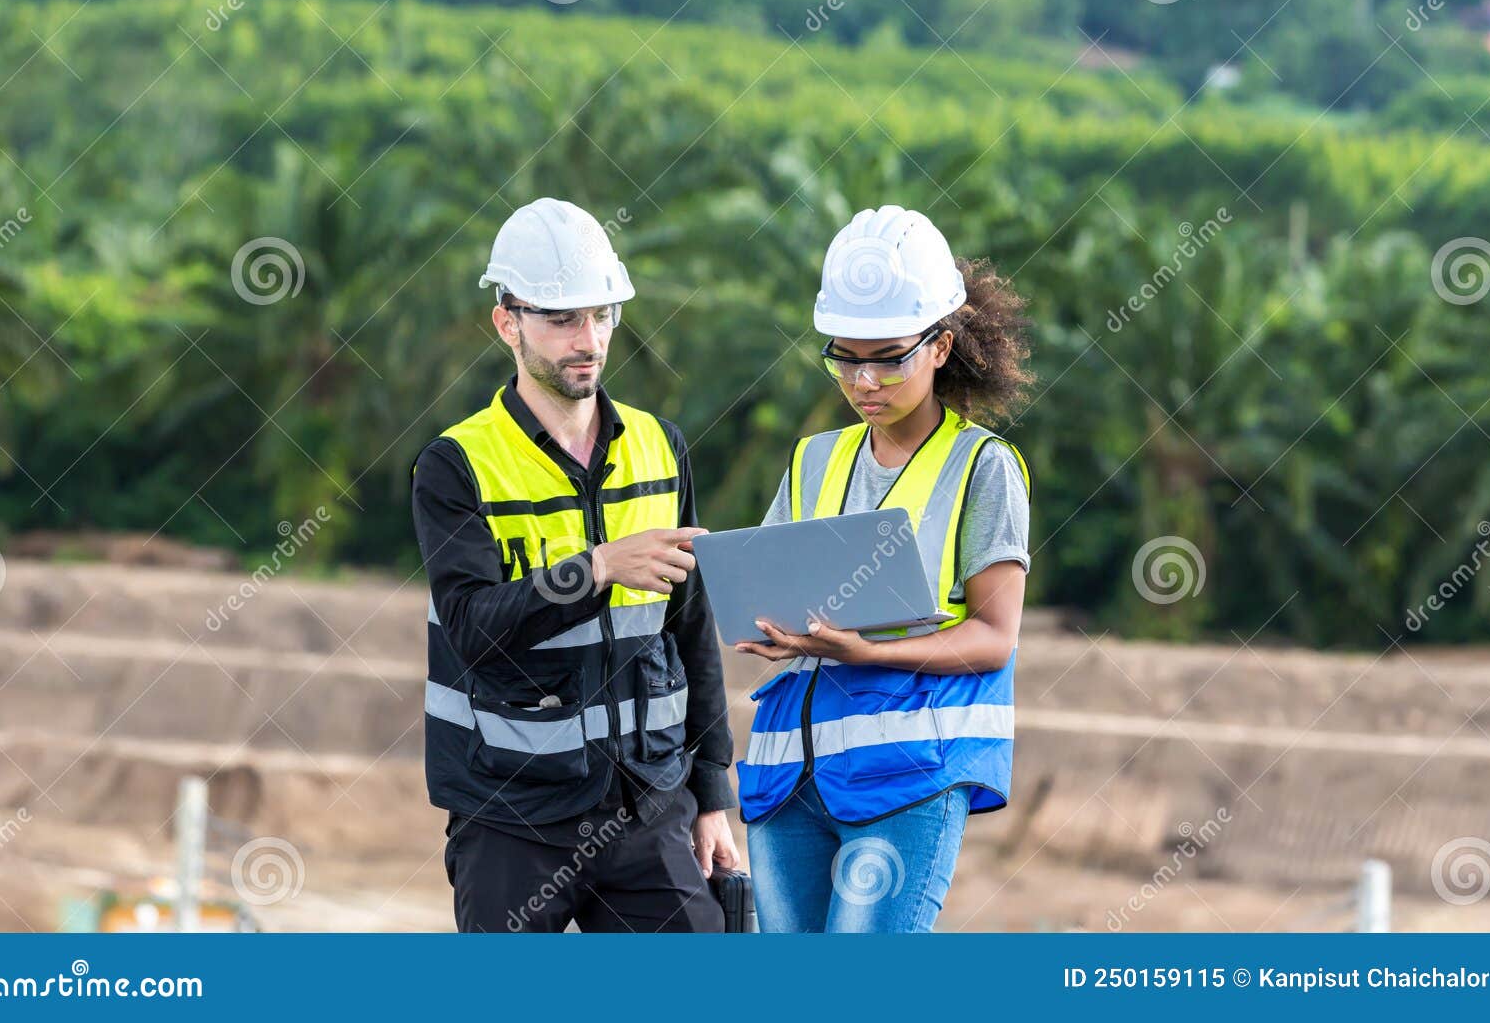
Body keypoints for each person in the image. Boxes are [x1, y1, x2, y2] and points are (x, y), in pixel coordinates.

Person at [411, 197, 739, 933]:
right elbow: (471, 628)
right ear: (507, 323)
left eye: (601, 315)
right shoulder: (456, 464)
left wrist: (712, 792)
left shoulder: (660, 446)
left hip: (649, 799)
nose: (587, 340)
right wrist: (596, 569)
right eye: (562, 319)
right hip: (511, 812)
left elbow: (690, 629)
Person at [734, 205, 1034, 933]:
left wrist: (868, 652)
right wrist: (765, 624)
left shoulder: (982, 467)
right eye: (846, 358)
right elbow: (767, 586)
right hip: (787, 773)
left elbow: (995, 636)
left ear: (941, 346)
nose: (865, 380)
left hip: (906, 776)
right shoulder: (814, 458)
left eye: (889, 357)